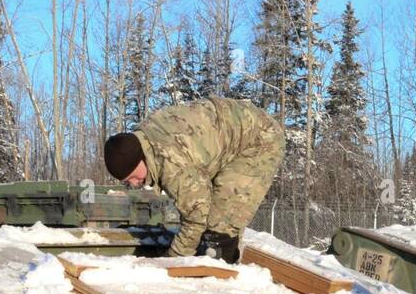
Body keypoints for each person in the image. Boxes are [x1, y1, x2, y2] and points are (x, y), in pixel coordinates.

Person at [103, 96, 285, 262]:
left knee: (219, 230)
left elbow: (196, 218)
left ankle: (222, 282)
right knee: (216, 221)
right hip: (234, 140)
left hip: (258, 141)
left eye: (133, 177)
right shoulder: (145, 137)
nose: (135, 184)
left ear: (140, 158)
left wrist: (170, 262)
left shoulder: (171, 161)